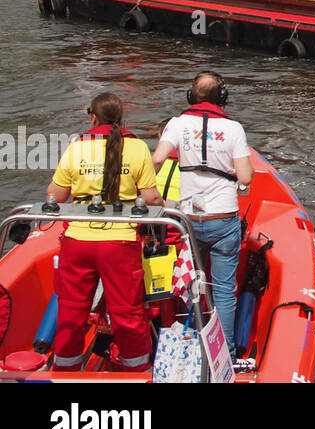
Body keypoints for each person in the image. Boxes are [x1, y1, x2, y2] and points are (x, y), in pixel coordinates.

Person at [47, 92, 163, 371]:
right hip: (120, 243)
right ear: (123, 119)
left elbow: (56, 195)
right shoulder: (136, 149)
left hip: (78, 241)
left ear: (92, 117)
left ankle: (65, 369)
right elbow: (152, 200)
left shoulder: (77, 148)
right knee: (127, 312)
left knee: (72, 310)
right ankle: (136, 369)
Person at [153, 73, 253, 359]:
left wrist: (146, 194)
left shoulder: (177, 123)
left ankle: (189, 350)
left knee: (190, 285)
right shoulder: (233, 128)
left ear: (191, 96)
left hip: (188, 219)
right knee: (223, 290)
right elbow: (245, 176)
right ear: (223, 97)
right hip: (222, 217)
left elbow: (158, 159)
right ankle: (224, 356)